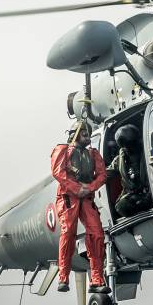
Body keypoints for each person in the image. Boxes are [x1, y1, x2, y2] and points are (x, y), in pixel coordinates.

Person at [50, 119, 109, 294]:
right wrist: (77, 188)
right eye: (83, 132)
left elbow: (102, 175)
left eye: (88, 132)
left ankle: (97, 279)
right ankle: (63, 277)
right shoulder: (63, 150)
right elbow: (58, 172)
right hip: (68, 197)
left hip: (86, 198)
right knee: (68, 232)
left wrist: (89, 188)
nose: (87, 135)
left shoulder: (93, 154)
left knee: (97, 234)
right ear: (74, 134)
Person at [109, 124, 153, 218]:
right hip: (134, 194)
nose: (130, 149)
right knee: (121, 206)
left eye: (132, 145)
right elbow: (107, 172)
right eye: (126, 147)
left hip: (151, 190)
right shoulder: (119, 160)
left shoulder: (148, 152)